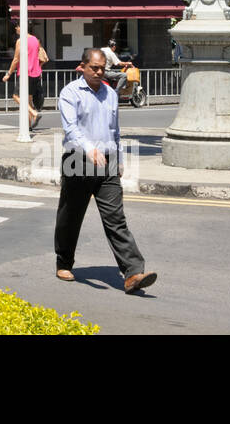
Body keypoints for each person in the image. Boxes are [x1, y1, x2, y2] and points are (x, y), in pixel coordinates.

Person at [54, 48, 157, 294]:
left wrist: (119, 159)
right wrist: (89, 149)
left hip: (107, 162)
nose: (100, 72)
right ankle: (64, 262)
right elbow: (71, 129)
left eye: (102, 68)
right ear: (83, 67)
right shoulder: (70, 92)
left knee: (116, 218)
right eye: (95, 68)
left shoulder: (110, 94)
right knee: (71, 215)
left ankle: (133, 272)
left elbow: (115, 130)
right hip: (78, 160)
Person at [4, 23, 50, 129]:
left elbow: (16, 59)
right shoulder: (35, 40)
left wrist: (8, 74)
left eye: (18, 26)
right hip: (36, 73)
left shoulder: (20, 41)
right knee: (28, 101)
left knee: (16, 96)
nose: (16, 28)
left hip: (25, 73)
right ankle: (28, 126)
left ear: (22, 27)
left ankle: (34, 114)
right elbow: (41, 57)